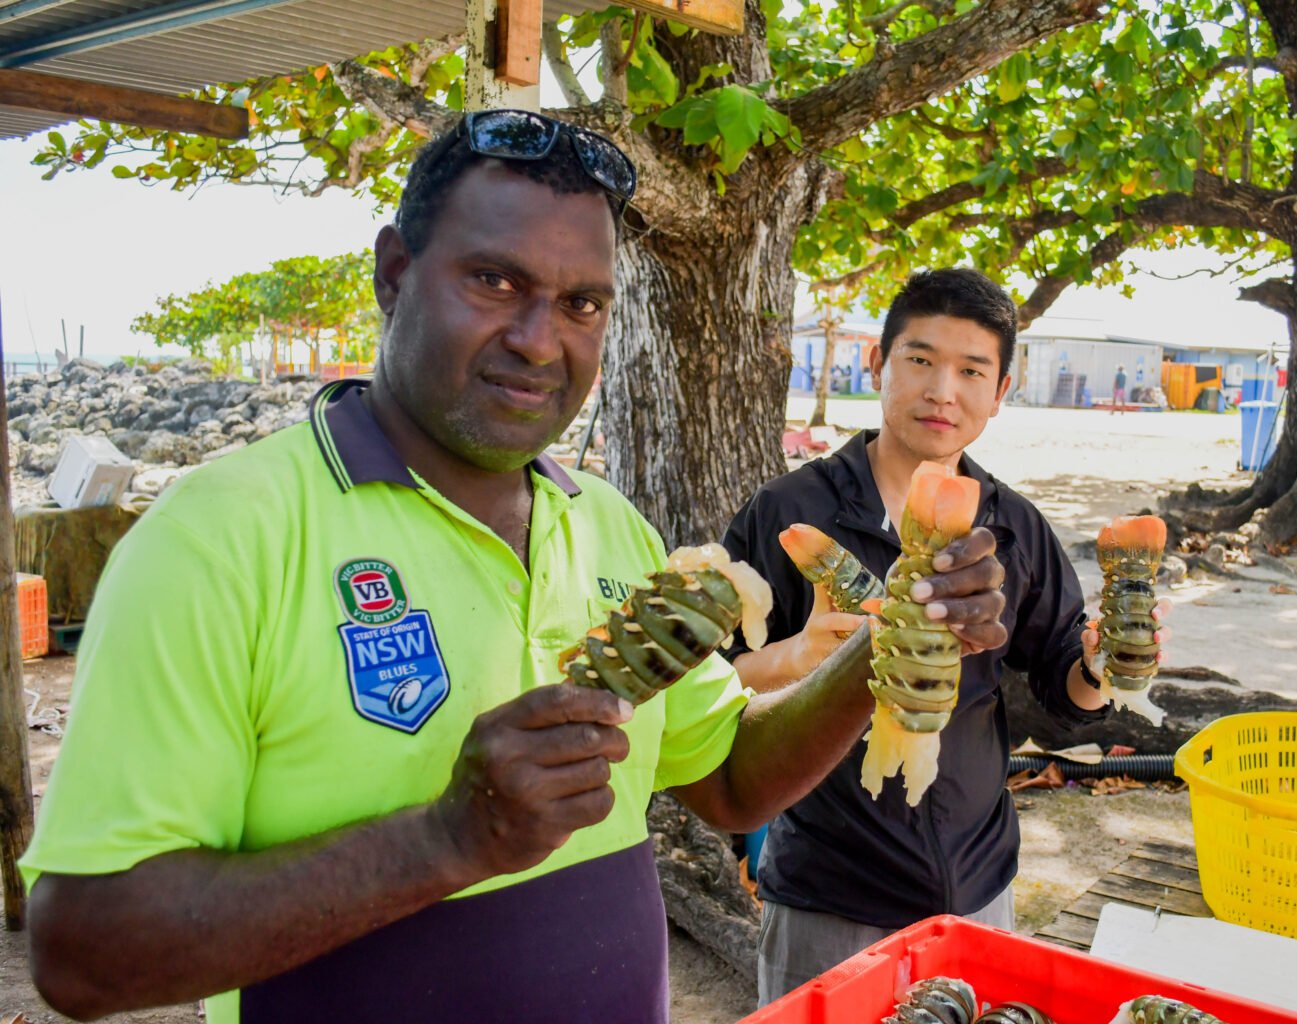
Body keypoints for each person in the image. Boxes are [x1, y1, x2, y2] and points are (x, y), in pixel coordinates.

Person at [19, 113, 1013, 1024]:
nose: (541, 342)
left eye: (581, 303)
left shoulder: (610, 526)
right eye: (494, 281)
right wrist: (450, 837)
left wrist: (891, 644)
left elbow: (731, 780)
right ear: (396, 272)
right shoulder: (223, 534)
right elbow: (84, 951)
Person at [723, 268, 1169, 1005]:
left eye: (971, 371)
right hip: (830, 889)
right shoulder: (788, 510)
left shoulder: (1014, 526)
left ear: (1000, 392)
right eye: (920, 360)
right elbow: (708, 678)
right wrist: (793, 657)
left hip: (977, 882)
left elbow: (1068, 691)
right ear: (878, 364)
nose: (943, 391)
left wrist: (1101, 660)